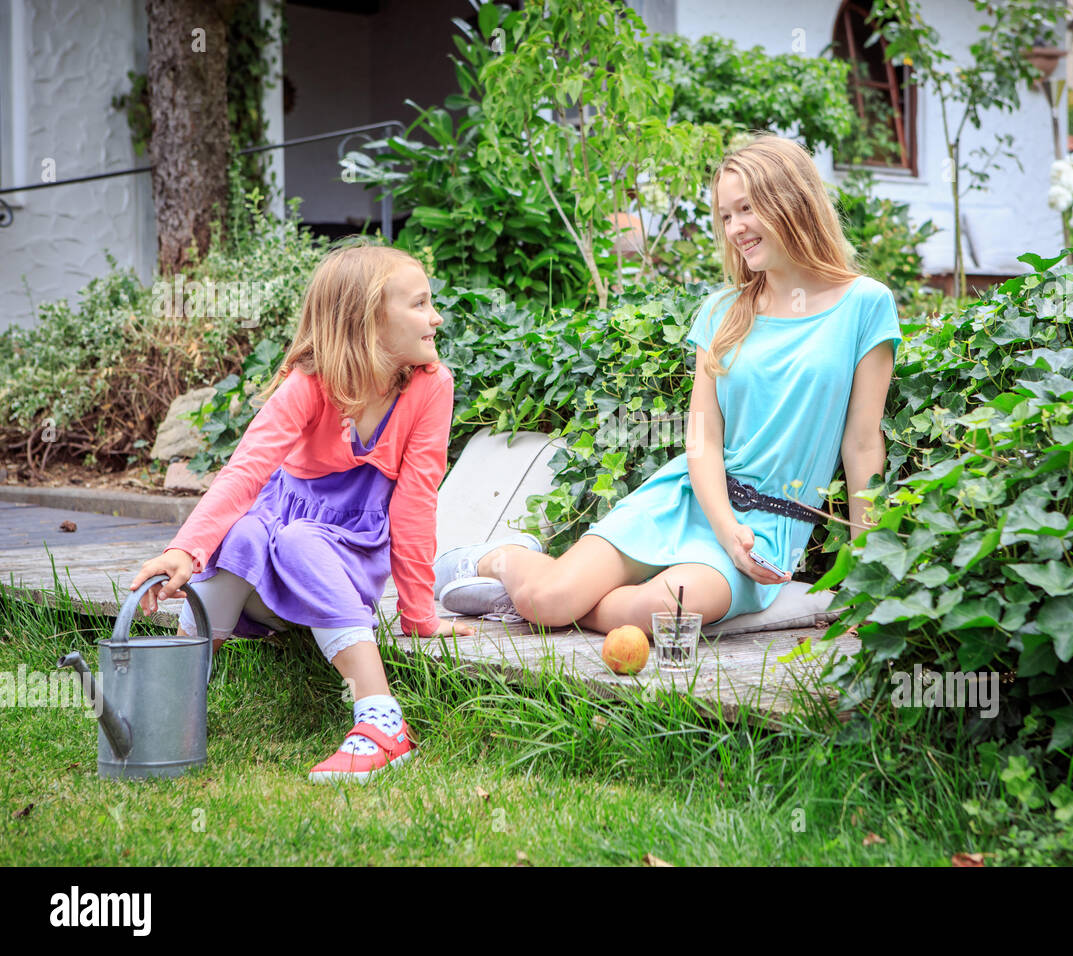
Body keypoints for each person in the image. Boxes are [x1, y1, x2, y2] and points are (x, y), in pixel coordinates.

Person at [434, 133, 901, 639]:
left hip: (768, 529)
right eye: (726, 216)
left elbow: (861, 446)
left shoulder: (865, 305)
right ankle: (507, 561)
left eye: (747, 208)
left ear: (792, 200)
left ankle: (537, 598)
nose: (736, 228)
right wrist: (723, 526)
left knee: (671, 610)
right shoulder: (723, 313)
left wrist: (868, 578)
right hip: (689, 499)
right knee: (549, 600)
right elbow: (701, 440)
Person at [127, 240, 477, 784]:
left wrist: (419, 615)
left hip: (339, 568)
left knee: (297, 543)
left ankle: (382, 722)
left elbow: (416, 502)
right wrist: (184, 551)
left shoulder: (431, 387)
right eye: (419, 304)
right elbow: (246, 471)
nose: (435, 318)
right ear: (368, 321)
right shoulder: (309, 386)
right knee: (245, 534)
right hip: (265, 582)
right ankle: (172, 708)